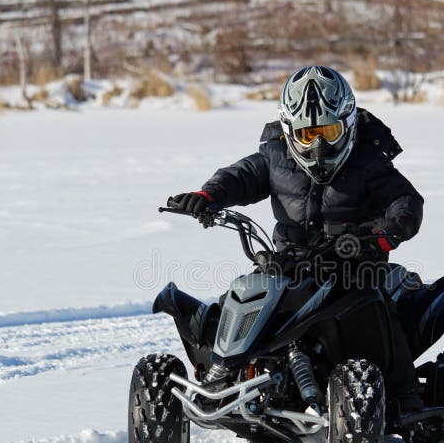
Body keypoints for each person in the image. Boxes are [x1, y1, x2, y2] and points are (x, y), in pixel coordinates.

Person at [169, 65, 424, 402]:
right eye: (307, 134)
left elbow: (405, 201)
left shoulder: (370, 161)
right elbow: (241, 177)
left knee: (374, 309)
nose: (318, 145)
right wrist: (208, 196)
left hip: (354, 265)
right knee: (240, 298)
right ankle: (224, 375)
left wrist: (386, 232)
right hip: (287, 263)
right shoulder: (275, 156)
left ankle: (405, 396)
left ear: (348, 124)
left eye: (329, 131)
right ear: (290, 131)